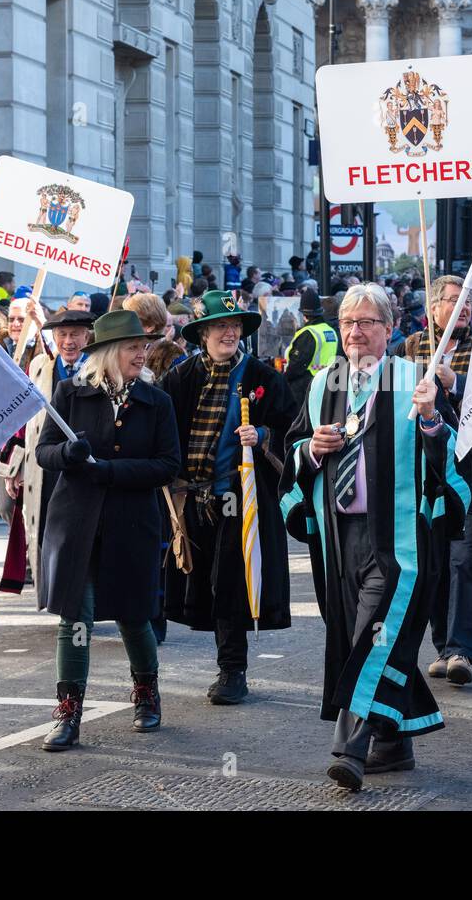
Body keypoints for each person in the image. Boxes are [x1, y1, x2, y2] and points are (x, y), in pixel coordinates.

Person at [279, 283, 469, 790]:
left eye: (367, 322)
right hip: (341, 539)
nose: (356, 332)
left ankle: (351, 748)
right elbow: (293, 448)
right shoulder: (324, 385)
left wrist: (431, 420)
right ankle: (393, 742)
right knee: (352, 635)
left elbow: (451, 461)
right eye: (348, 322)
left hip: (398, 539)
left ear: (389, 329)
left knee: (373, 636)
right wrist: (312, 451)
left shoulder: (415, 380)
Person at [34, 310, 182, 750]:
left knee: (134, 614)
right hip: (76, 520)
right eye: (134, 347)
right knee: (74, 617)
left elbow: (168, 465)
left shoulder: (157, 402)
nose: (143, 353)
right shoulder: (71, 392)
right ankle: (68, 712)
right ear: (109, 353)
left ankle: (146, 695)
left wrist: (112, 471)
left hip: (132, 521)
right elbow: (43, 453)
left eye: (145, 346)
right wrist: (69, 453)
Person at [159, 291, 295, 702]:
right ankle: (147, 676)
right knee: (198, 584)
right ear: (202, 333)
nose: (229, 332)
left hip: (243, 500)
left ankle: (232, 671)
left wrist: (265, 435)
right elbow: (160, 429)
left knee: (233, 584)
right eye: (220, 325)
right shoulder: (179, 378)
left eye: (235, 326)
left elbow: (294, 430)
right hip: (191, 502)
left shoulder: (263, 378)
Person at [404, 275, 472, 687]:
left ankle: (462, 649)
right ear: (434, 308)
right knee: (432, 564)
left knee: (463, 560)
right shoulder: (410, 349)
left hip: (463, 474)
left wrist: (456, 384)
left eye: (468, 302)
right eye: (454, 300)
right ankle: (443, 643)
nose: (463, 307)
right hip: (421, 474)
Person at [2, 308, 97, 598]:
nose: (69, 341)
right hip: (45, 464)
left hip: (84, 464)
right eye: (62, 335)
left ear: (87, 337)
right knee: (44, 529)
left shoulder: (98, 368)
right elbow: (24, 420)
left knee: (81, 533)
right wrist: (14, 466)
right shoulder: (39, 365)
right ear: (53, 337)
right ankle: (53, 595)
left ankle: (80, 601)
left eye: (75, 335)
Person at [283, 288, 338, 406]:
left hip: (305, 387)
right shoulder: (329, 331)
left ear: (303, 314)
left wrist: (284, 379)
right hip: (327, 383)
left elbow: (297, 364)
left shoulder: (308, 333)